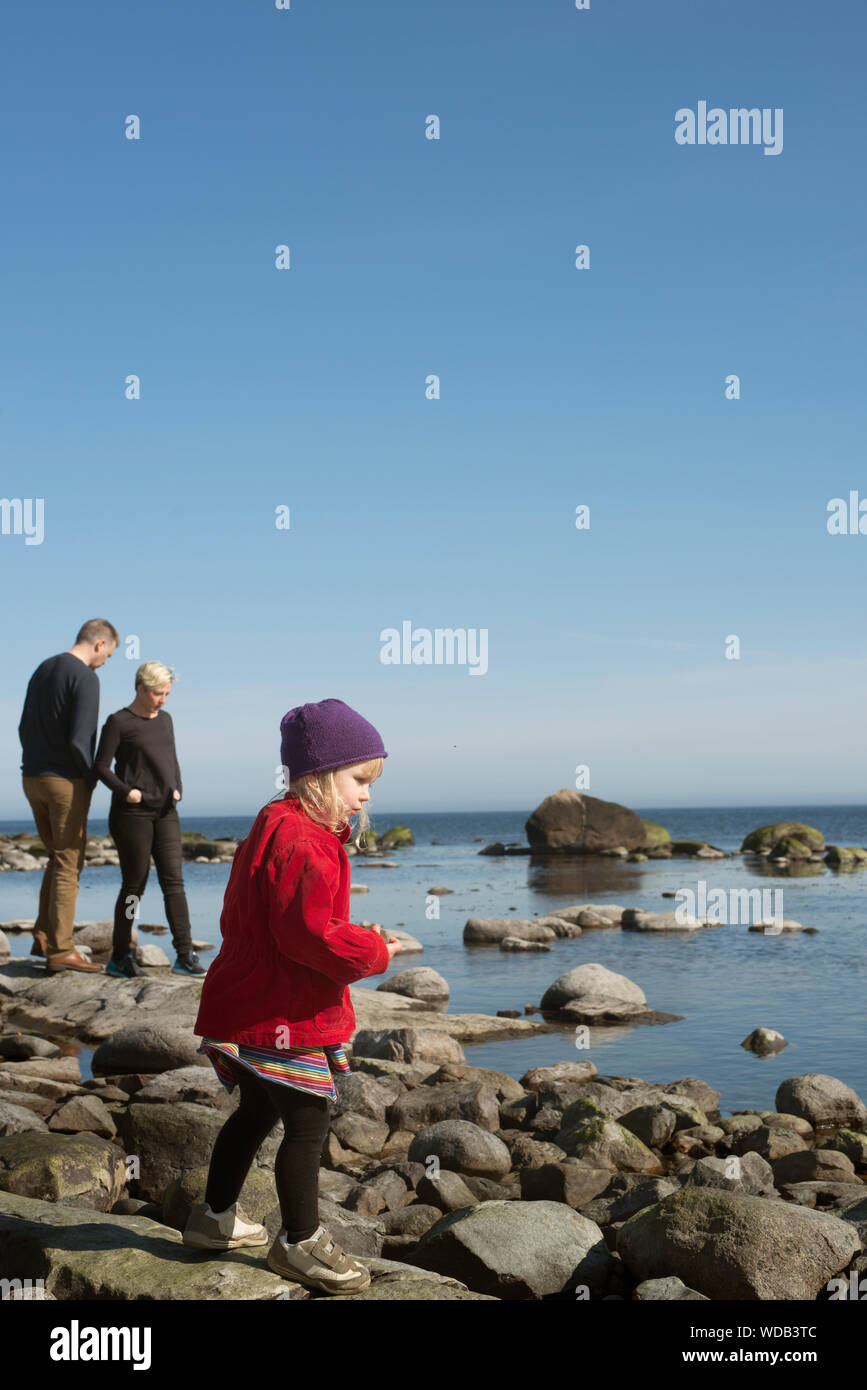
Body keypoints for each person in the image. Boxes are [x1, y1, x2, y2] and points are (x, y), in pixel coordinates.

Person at [184, 698, 402, 1295]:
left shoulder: (275, 820)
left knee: (255, 1110)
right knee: (308, 1121)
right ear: (318, 774)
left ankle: (213, 1217)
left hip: (246, 997)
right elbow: (307, 935)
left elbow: (269, 921)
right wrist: (373, 951)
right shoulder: (304, 842)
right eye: (359, 780)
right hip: (280, 1010)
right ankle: (300, 1243)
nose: (366, 796)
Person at [19, 618, 119, 972]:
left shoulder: (44, 668)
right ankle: (61, 949)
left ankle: (44, 934)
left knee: (55, 856)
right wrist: (90, 777)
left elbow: (22, 726)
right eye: (108, 654)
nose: (105, 662)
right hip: (65, 780)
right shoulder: (86, 677)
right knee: (68, 861)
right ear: (99, 644)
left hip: (32, 776)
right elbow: (80, 740)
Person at [94, 661, 205, 978]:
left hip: (167, 812)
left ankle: (185, 954)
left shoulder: (166, 719)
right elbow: (100, 766)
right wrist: (126, 791)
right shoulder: (119, 722)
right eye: (158, 693)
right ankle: (119, 957)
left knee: (174, 882)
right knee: (134, 885)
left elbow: (172, 759)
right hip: (132, 815)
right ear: (140, 689)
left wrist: (178, 788)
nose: (163, 700)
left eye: (167, 693)